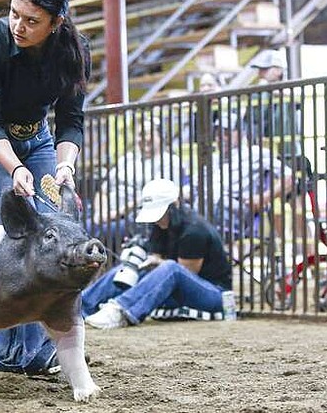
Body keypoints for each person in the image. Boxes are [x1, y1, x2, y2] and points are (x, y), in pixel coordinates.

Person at [0, 0, 91, 375]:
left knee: (53, 229)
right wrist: (15, 169)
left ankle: (28, 353)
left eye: (32, 20)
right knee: (16, 224)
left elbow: (70, 120)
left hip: (39, 139)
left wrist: (65, 165)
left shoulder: (75, 50)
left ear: (56, 23)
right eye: (14, 14)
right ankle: (8, 352)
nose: (19, 26)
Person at [82, 178, 233, 329]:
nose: (157, 220)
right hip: (177, 291)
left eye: (160, 214)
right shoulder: (162, 226)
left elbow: (186, 273)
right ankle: (81, 306)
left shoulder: (194, 231)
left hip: (215, 294)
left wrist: (158, 262)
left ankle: (120, 310)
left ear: (175, 205)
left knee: (171, 269)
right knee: (131, 267)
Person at [90, 118, 183, 245]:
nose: (144, 138)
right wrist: (99, 213)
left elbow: (157, 198)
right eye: (140, 135)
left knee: (98, 232)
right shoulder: (127, 159)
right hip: (105, 216)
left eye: (149, 134)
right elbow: (103, 191)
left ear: (161, 137)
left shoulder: (169, 161)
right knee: (79, 226)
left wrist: (115, 213)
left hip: (134, 217)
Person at [211, 111, 295, 242]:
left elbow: (289, 176)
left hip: (233, 208)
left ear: (241, 133)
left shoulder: (255, 153)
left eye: (227, 133)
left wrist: (264, 197)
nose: (221, 137)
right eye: (218, 133)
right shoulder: (212, 159)